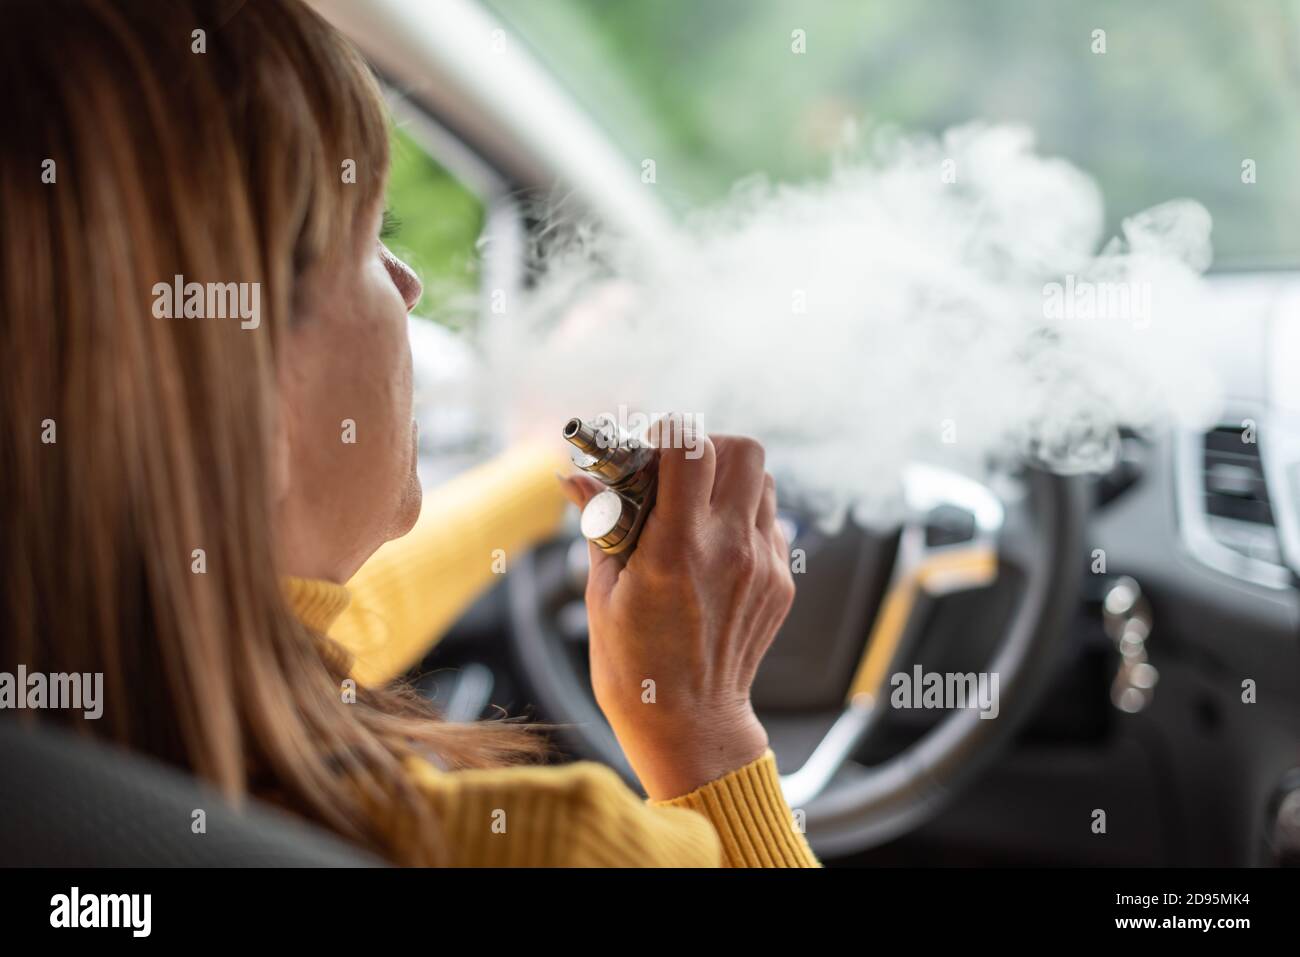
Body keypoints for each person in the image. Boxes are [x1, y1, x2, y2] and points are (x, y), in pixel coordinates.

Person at [0, 0, 817, 867]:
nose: (410, 282)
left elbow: (307, 619)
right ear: (252, 397)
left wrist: (541, 468)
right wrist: (703, 723)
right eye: (370, 234)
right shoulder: (552, 847)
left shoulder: (81, 696)